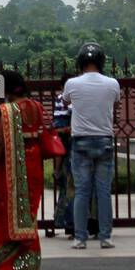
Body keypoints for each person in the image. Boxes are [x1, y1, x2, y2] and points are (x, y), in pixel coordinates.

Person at [0, 70, 45, 270]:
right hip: (33, 168)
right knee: (27, 217)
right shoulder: (36, 107)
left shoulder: (9, 111)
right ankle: (28, 268)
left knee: (5, 216)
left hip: (11, 171)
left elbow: (0, 146)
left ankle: (10, 268)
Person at [63, 42, 121, 250]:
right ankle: (106, 237)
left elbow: (65, 101)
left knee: (82, 191)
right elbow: (115, 102)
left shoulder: (72, 83)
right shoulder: (112, 83)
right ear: (101, 61)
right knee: (103, 191)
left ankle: (80, 238)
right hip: (104, 139)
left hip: (80, 141)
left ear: (80, 61)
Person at [49, 73, 75, 238]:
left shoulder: (78, 98)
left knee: (73, 188)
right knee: (71, 187)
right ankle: (70, 223)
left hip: (72, 148)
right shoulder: (61, 101)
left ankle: (72, 223)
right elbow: (57, 130)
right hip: (68, 149)